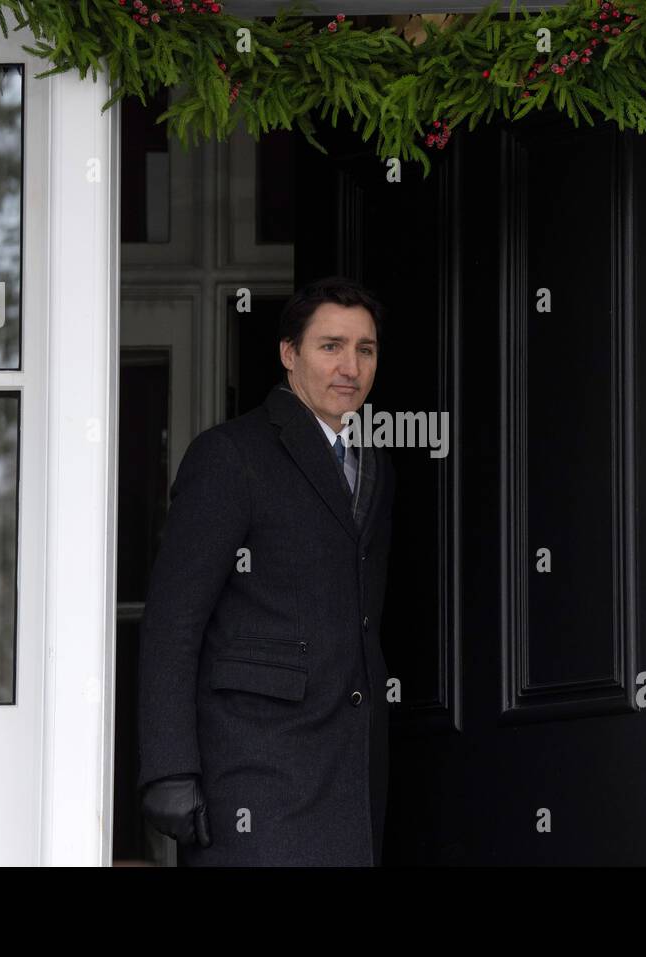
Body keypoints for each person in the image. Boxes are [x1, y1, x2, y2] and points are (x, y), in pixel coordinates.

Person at [136, 276, 397, 866]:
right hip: (253, 774)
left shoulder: (373, 465)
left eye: (365, 349)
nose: (349, 366)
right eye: (330, 346)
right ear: (289, 354)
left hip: (349, 772)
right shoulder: (231, 455)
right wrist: (169, 769)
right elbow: (174, 620)